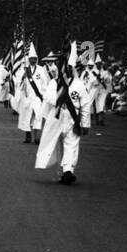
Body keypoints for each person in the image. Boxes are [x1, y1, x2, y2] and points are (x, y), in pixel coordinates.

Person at [35, 45, 92, 184]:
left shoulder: (79, 85)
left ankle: (68, 170)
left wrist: (85, 124)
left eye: (69, 69)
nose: (67, 71)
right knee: (58, 144)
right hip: (57, 116)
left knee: (71, 143)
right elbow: (47, 98)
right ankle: (63, 171)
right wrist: (59, 99)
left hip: (72, 118)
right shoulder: (54, 83)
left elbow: (85, 105)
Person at [15, 44, 44, 144]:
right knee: (27, 118)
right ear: (28, 59)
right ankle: (28, 137)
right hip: (27, 98)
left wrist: (42, 95)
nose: (33, 60)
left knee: (38, 117)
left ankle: (37, 138)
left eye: (34, 58)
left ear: (37, 59)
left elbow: (45, 83)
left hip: (37, 97)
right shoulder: (24, 70)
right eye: (31, 58)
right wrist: (23, 77)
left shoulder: (41, 69)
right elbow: (19, 84)